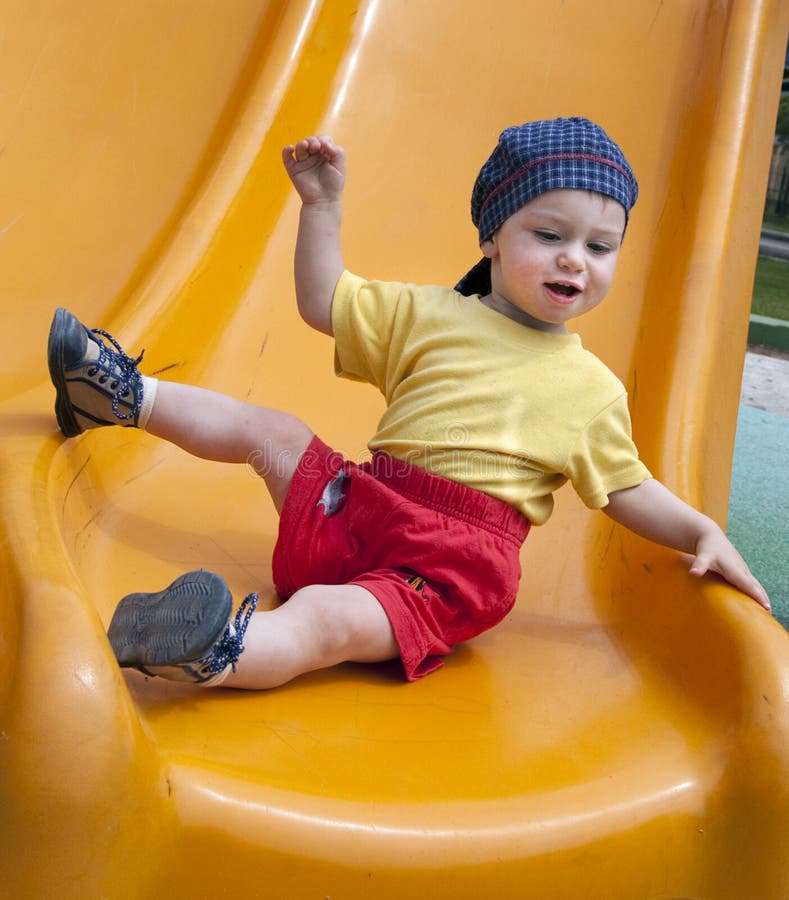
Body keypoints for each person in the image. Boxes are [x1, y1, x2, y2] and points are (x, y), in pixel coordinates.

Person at [47, 117, 771, 690]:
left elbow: (625, 487)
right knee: (268, 430)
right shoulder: (433, 315)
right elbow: (322, 301)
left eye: (601, 246)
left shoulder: (590, 390)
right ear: (492, 235)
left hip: (441, 574)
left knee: (324, 619)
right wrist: (321, 205)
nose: (574, 259)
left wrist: (698, 529)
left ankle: (216, 649)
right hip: (356, 509)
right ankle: (122, 395)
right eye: (548, 235)